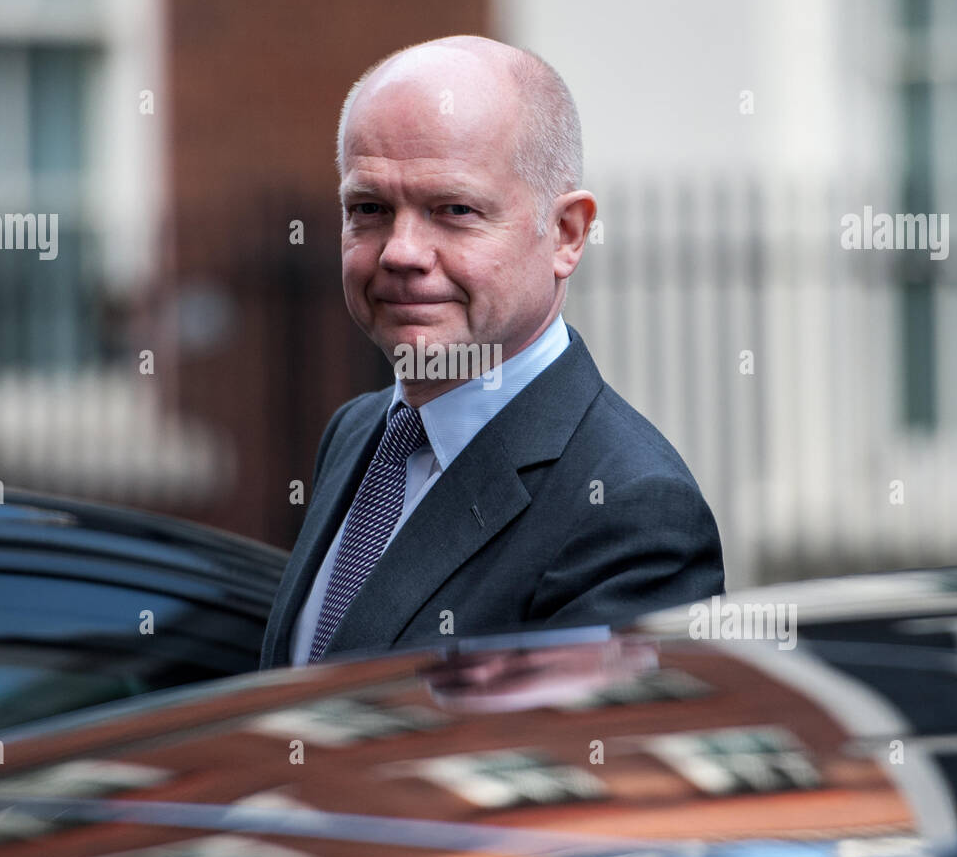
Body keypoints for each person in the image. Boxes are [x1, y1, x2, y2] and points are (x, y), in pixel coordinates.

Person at [260, 35, 723, 668]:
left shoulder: (631, 512)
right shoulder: (357, 431)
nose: (400, 252)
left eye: (453, 209)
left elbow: (584, 763)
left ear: (566, 235)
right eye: (368, 208)